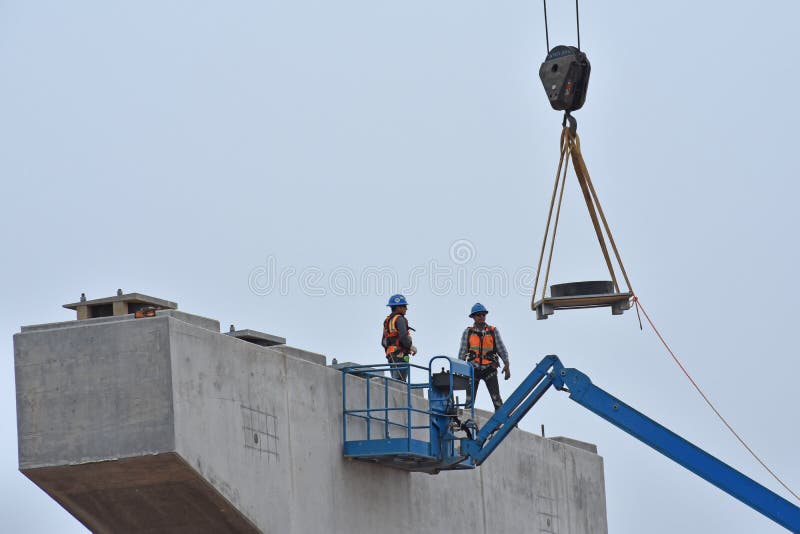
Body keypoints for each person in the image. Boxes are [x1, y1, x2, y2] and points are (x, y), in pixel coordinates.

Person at [458, 303, 510, 411]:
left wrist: (507, 364)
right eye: (478, 315)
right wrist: (460, 369)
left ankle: (503, 423)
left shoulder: (492, 331)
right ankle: (466, 423)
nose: (481, 317)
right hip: (473, 369)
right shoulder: (468, 332)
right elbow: (462, 352)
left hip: (490, 368)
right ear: (473, 317)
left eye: (483, 315)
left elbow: (501, 348)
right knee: (469, 400)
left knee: (496, 398)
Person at [381, 294, 417, 381]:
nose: (406, 309)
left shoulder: (387, 321)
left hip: (391, 355)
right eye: (404, 306)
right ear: (398, 307)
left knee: (395, 380)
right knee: (400, 382)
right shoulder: (400, 319)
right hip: (400, 355)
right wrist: (410, 346)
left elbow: (383, 342)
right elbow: (403, 337)